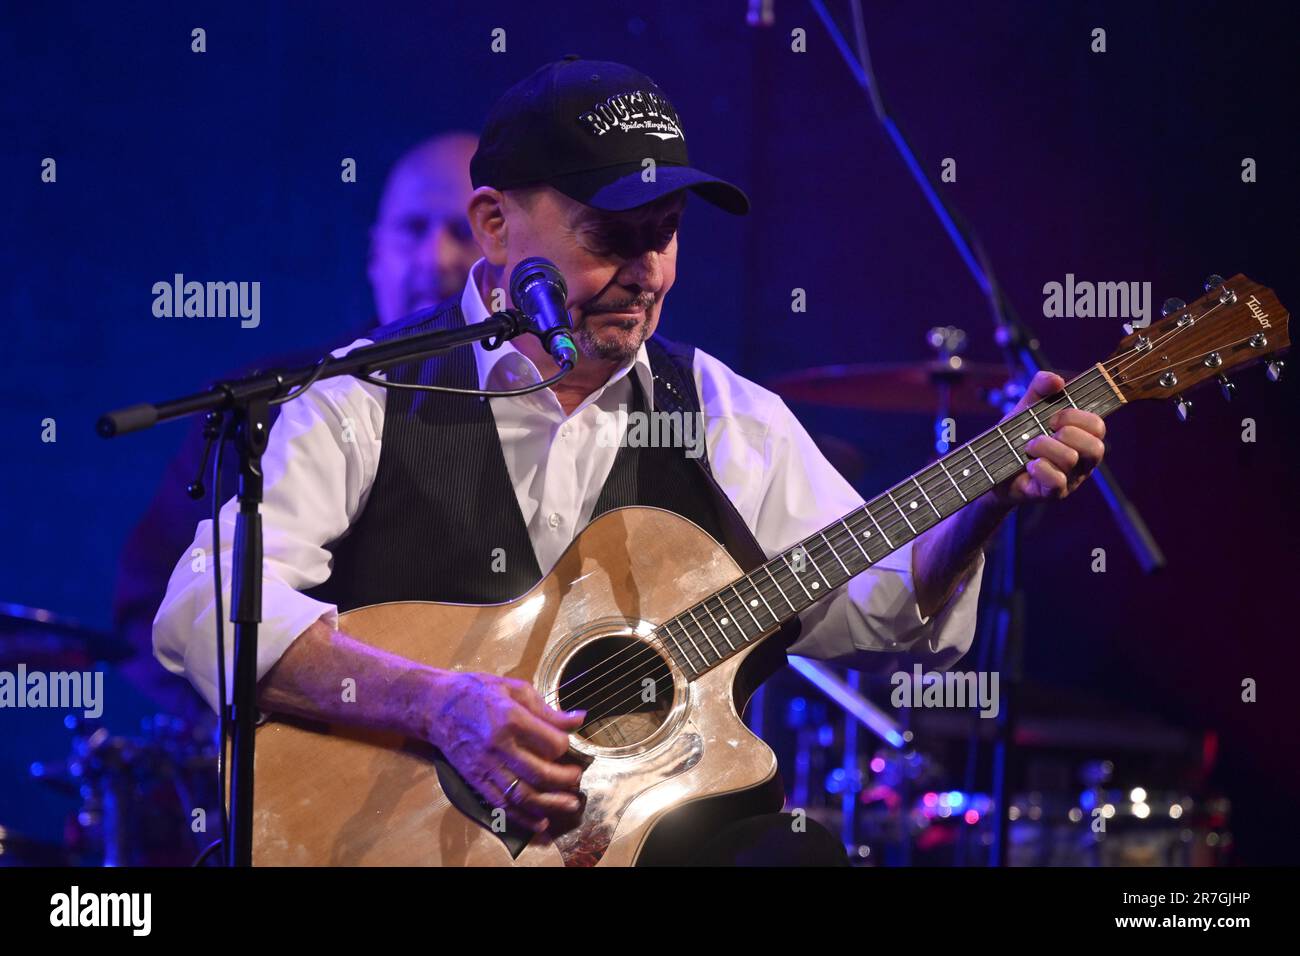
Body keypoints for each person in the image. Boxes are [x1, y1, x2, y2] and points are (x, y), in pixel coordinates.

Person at [153, 59, 1106, 865]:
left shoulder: (728, 414)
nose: (648, 273)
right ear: (495, 225)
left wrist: (985, 500)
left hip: (653, 839)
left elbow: (886, 607)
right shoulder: (367, 395)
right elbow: (206, 611)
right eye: (611, 235)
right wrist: (438, 704)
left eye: (666, 234)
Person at [113, 132, 480, 719]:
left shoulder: (534, 402)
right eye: (413, 229)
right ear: (374, 251)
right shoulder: (268, 396)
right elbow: (152, 602)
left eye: (462, 232)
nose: (436, 259)